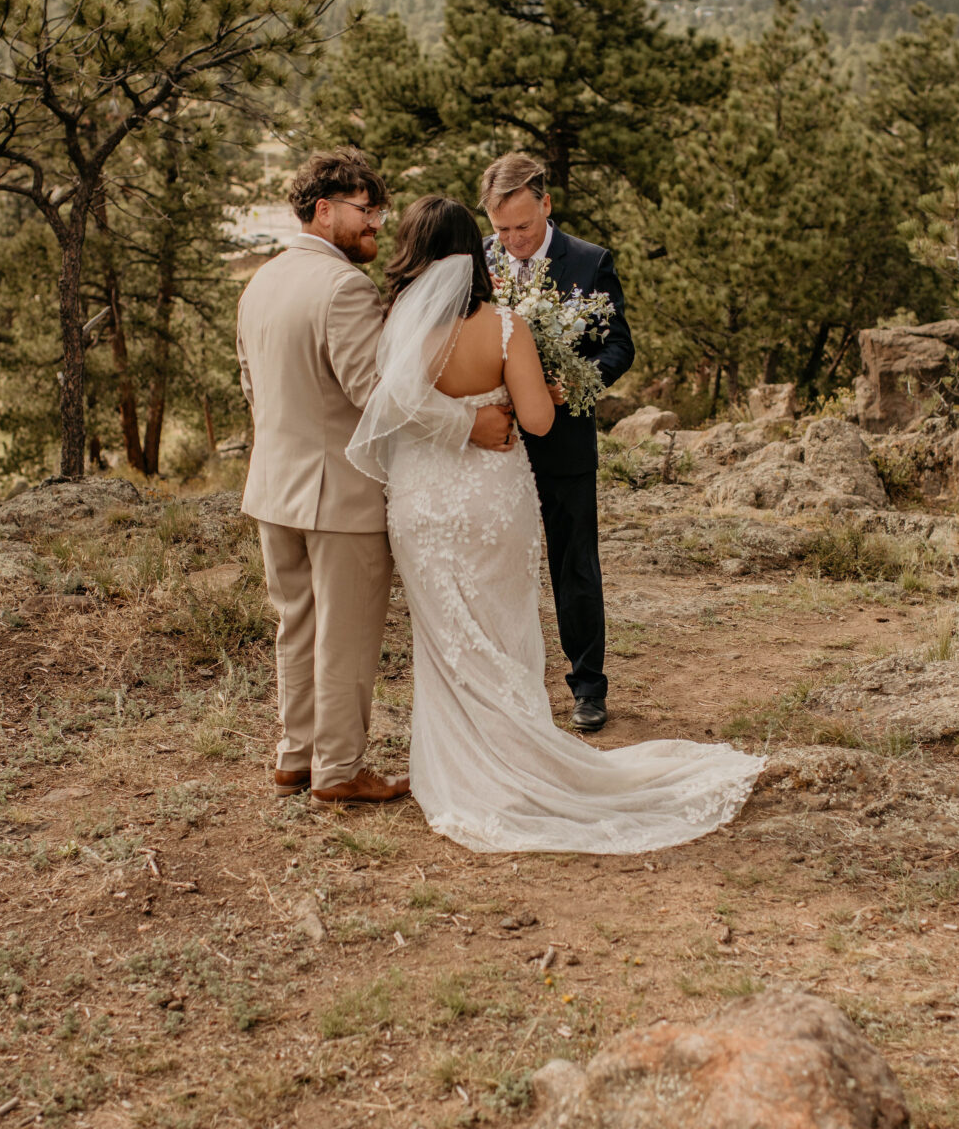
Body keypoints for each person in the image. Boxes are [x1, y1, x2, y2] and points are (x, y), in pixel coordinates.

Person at [348, 195, 762, 854]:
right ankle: (517, 761)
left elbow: (390, 406)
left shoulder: (395, 320)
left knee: (447, 639)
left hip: (422, 505)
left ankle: (454, 770)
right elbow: (538, 422)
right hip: (491, 500)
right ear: (473, 253)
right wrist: (529, 385)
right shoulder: (506, 326)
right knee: (502, 629)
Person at [236, 149, 514, 809]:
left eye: (381, 212)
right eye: (367, 211)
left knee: (296, 628)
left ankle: (294, 756)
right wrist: (468, 426)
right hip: (340, 493)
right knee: (346, 638)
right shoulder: (343, 289)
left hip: (275, 486)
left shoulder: (260, 283)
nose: (377, 225)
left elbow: (252, 387)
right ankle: (337, 769)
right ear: (323, 209)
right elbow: (380, 395)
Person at [479, 153, 634, 731]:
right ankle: (504, 684)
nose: (514, 241)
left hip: (565, 440)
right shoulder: (479, 259)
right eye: (502, 230)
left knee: (574, 564)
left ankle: (588, 687)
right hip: (496, 441)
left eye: (524, 226)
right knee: (498, 560)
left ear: (546, 204)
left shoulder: (590, 262)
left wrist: (573, 384)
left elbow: (619, 347)